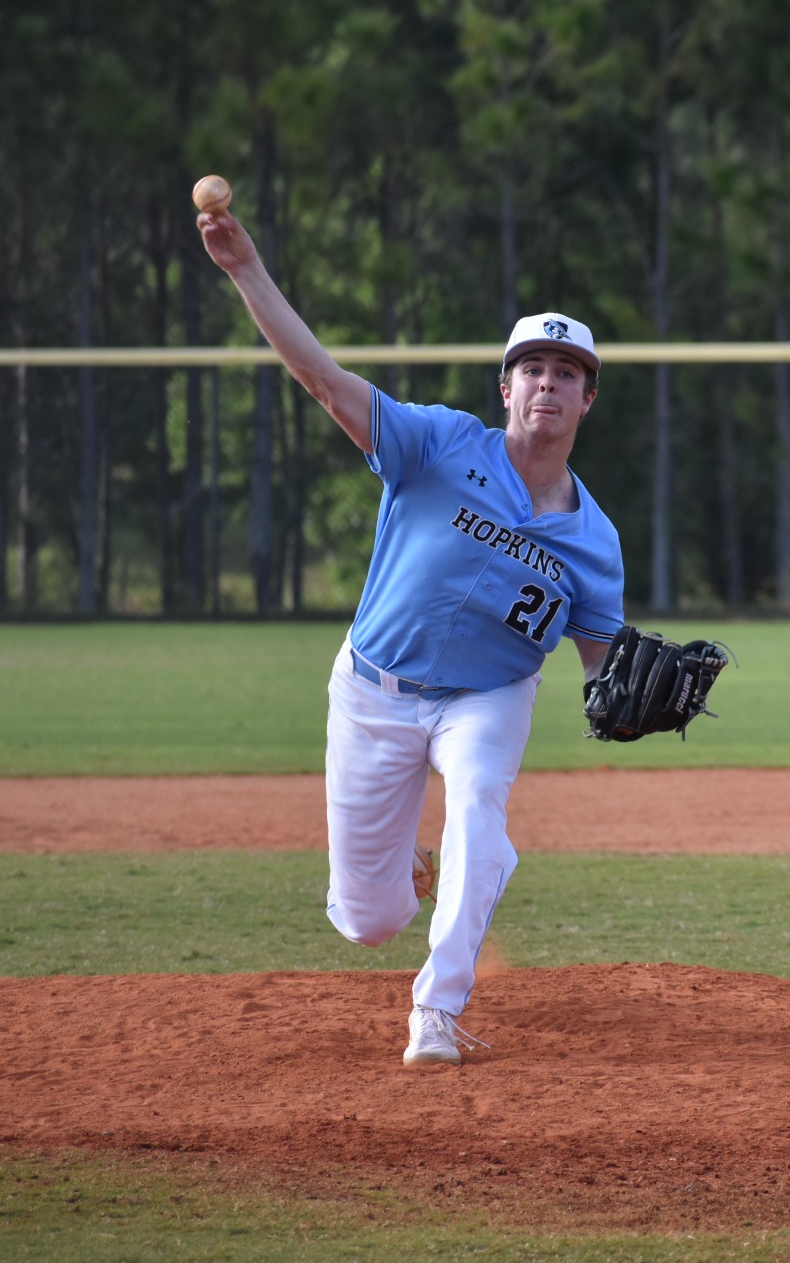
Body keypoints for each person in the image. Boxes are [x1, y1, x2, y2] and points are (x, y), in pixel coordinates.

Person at [198, 203, 624, 1068]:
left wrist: (620, 691)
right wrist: (246, 268)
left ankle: (438, 1007)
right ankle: (417, 871)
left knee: (479, 810)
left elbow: (598, 661)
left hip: (488, 697)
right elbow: (321, 377)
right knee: (367, 920)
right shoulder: (434, 443)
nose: (547, 382)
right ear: (505, 389)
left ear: (587, 396)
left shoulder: (593, 539)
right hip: (373, 690)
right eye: (531, 367)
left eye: (566, 371)